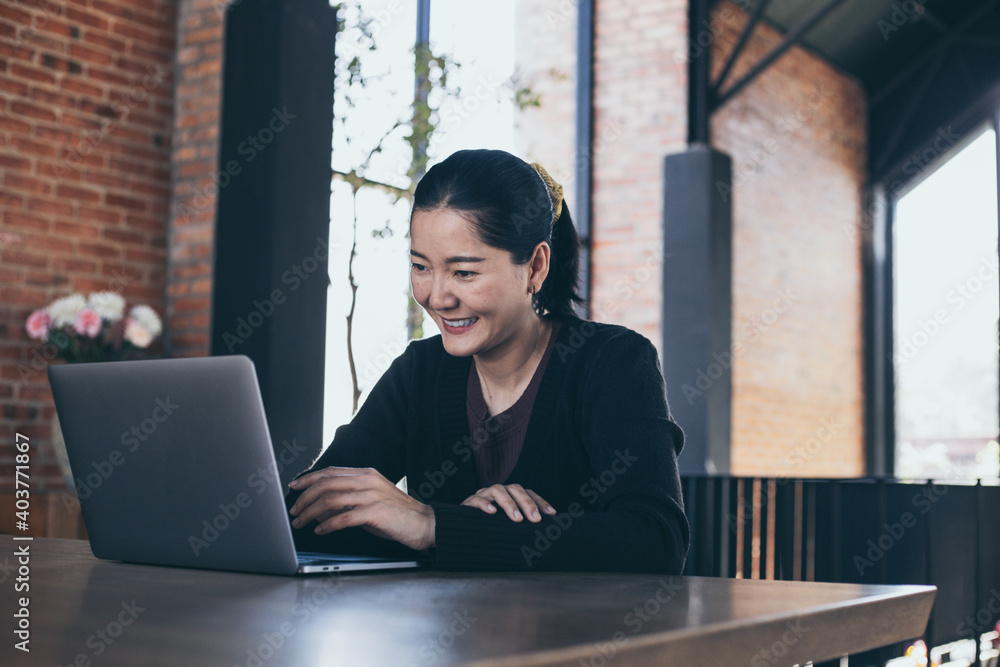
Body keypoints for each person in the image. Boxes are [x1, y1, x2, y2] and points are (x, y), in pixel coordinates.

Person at [285, 148, 689, 573]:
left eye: (464, 273)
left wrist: (434, 525)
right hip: (443, 638)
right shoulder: (420, 372)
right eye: (420, 267)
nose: (437, 297)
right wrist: (450, 527)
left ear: (535, 267)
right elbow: (304, 516)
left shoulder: (614, 363)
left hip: (585, 637)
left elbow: (655, 543)